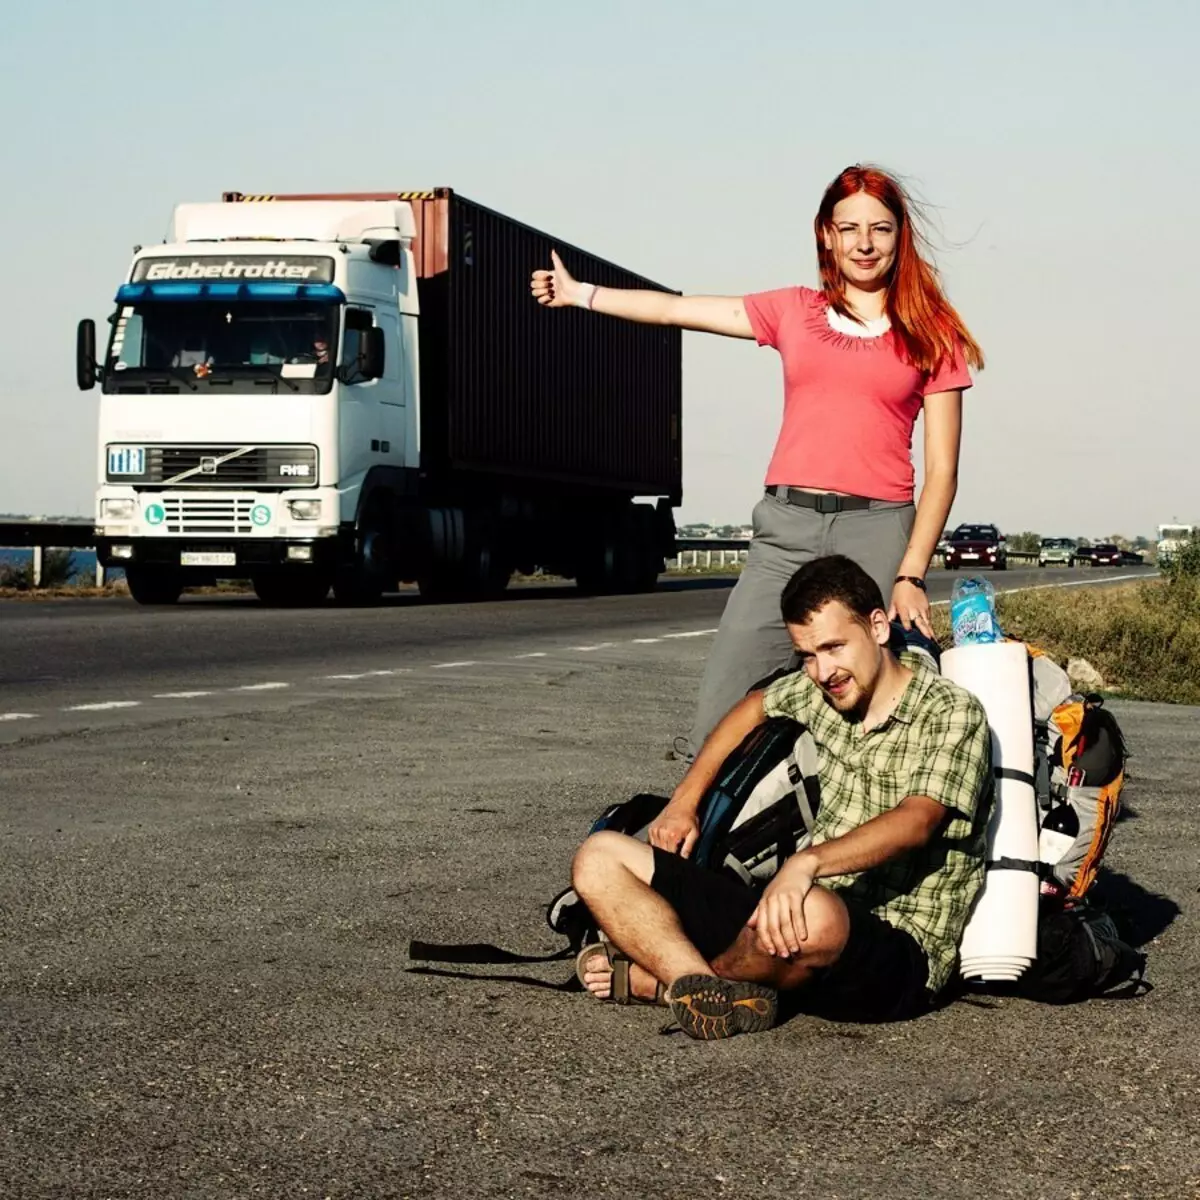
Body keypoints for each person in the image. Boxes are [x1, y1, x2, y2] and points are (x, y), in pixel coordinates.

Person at [531, 165, 985, 757]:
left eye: (880, 228)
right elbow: (678, 310)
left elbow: (943, 473)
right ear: (826, 235)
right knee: (726, 698)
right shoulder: (792, 311)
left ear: (901, 235)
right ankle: (712, 830)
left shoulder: (932, 333)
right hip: (785, 529)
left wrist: (910, 575)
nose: (864, 243)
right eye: (849, 228)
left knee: (861, 706)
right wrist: (581, 295)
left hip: (877, 532)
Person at [570, 555, 991, 1040]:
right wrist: (683, 801)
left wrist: (805, 864)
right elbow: (753, 707)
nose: (822, 670)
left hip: (899, 951)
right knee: (599, 858)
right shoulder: (823, 692)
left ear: (877, 627)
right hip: (796, 909)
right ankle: (701, 987)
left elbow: (917, 820)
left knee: (815, 915)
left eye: (834, 647)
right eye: (808, 654)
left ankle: (658, 979)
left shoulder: (951, 710)